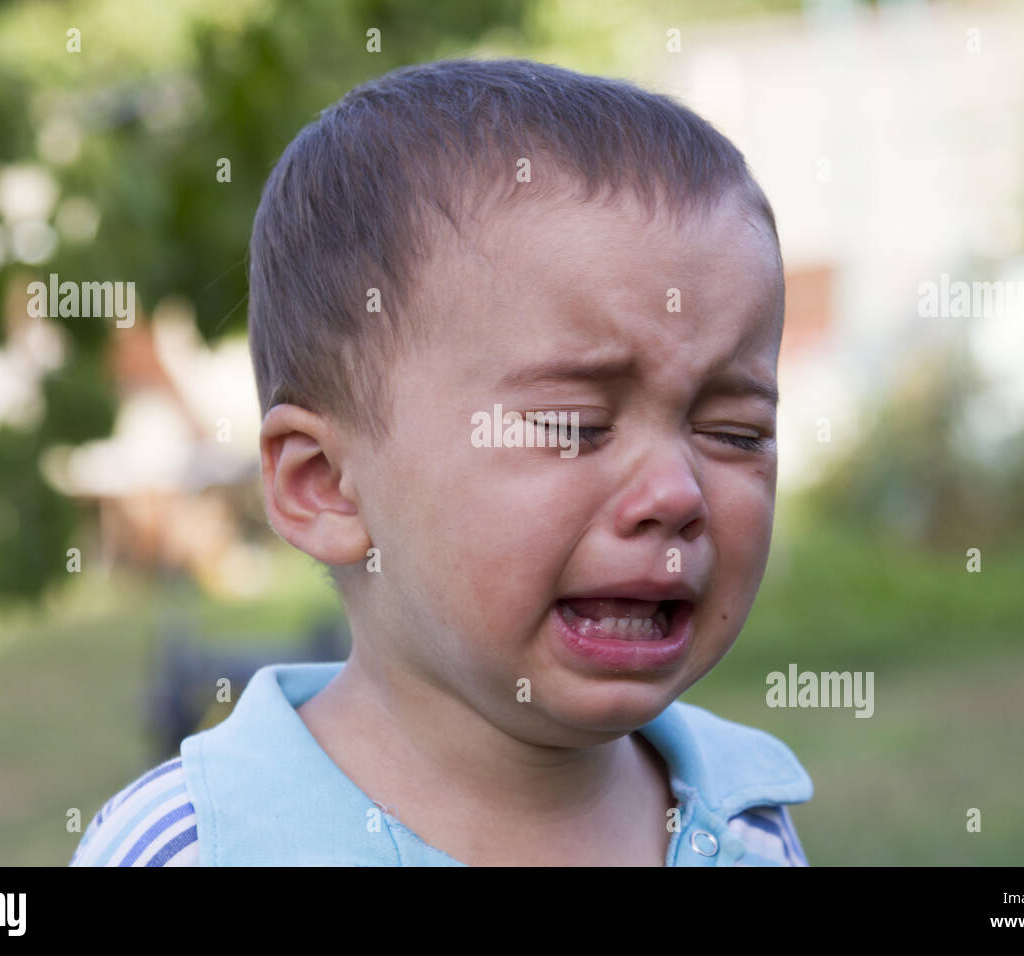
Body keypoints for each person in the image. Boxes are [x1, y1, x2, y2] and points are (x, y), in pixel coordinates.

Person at [71, 57, 811, 867]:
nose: (675, 494)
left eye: (735, 433)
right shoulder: (197, 848)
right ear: (325, 486)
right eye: (573, 425)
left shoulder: (744, 818)